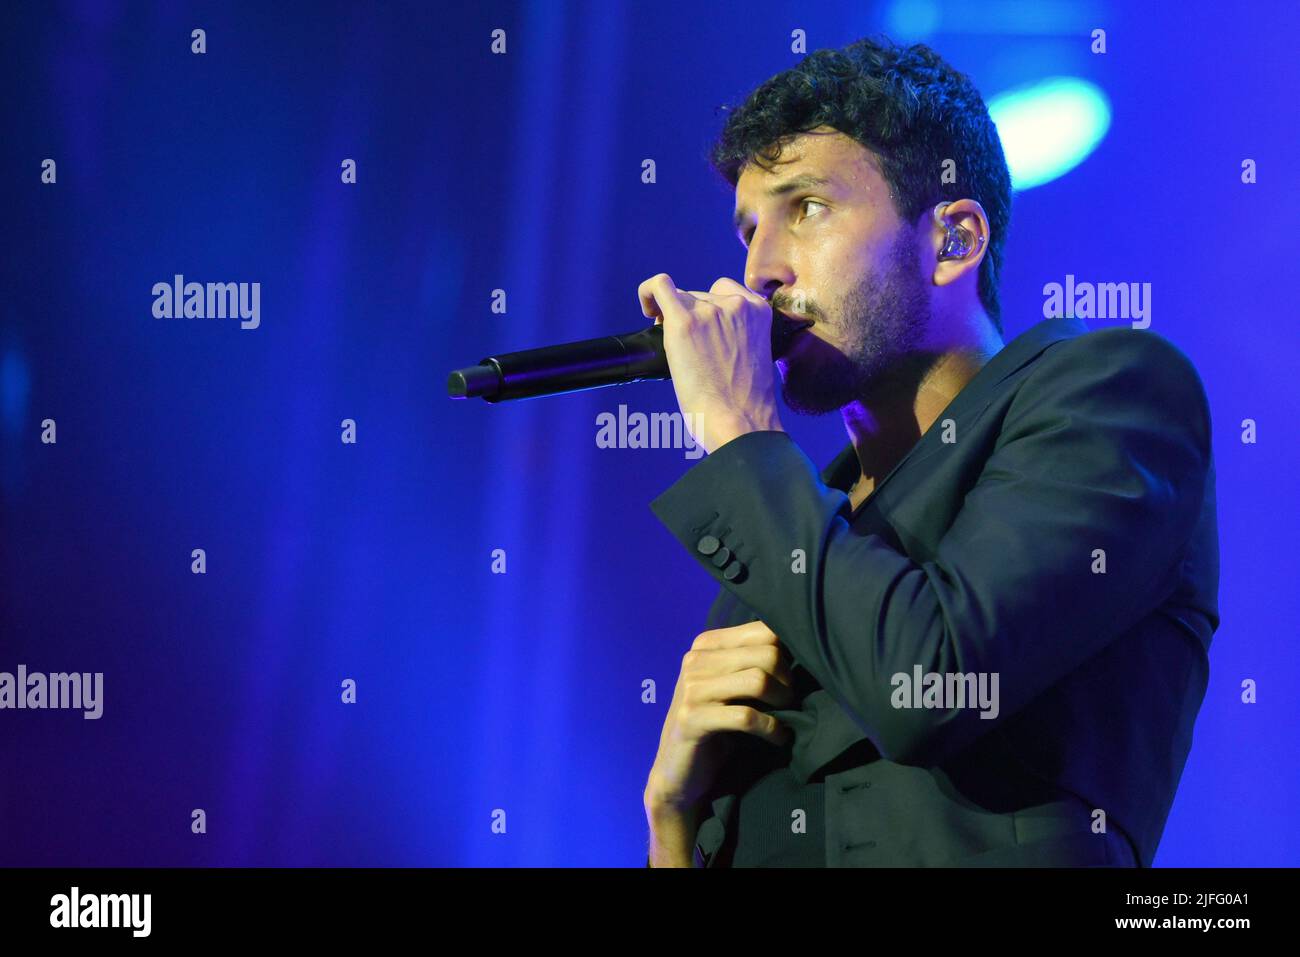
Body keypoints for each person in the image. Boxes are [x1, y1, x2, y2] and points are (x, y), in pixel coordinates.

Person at [640, 36, 1218, 867]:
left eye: (806, 208)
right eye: (748, 230)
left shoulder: (1114, 396)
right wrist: (671, 821)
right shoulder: (792, 521)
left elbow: (932, 685)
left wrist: (738, 433)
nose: (757, 271)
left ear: (953, 239)